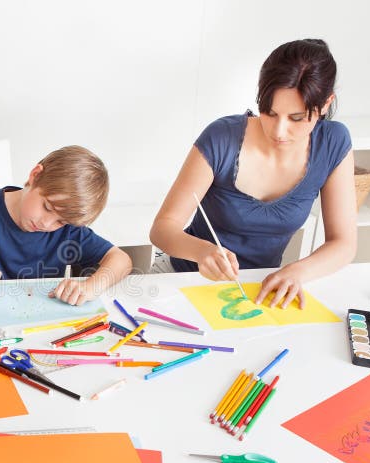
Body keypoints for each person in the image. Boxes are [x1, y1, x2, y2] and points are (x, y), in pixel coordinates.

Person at [150, 38, 356, 309]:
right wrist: (203, 252)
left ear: (326, 104)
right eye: (269, 113)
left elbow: (343, 244)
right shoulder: (221, 137)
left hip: (256, 292)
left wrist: (297, 272)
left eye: (296, 118)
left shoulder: (333, 143)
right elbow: (162, 229)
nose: (279, 131)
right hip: (183, 279)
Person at [0, 145, 132, 305]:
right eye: (47, 208)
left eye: (61, 221)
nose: (46, 223)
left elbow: (121, 260)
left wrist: (90, 287)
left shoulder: (69, 230)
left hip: (42, 326)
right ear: (35, 176)